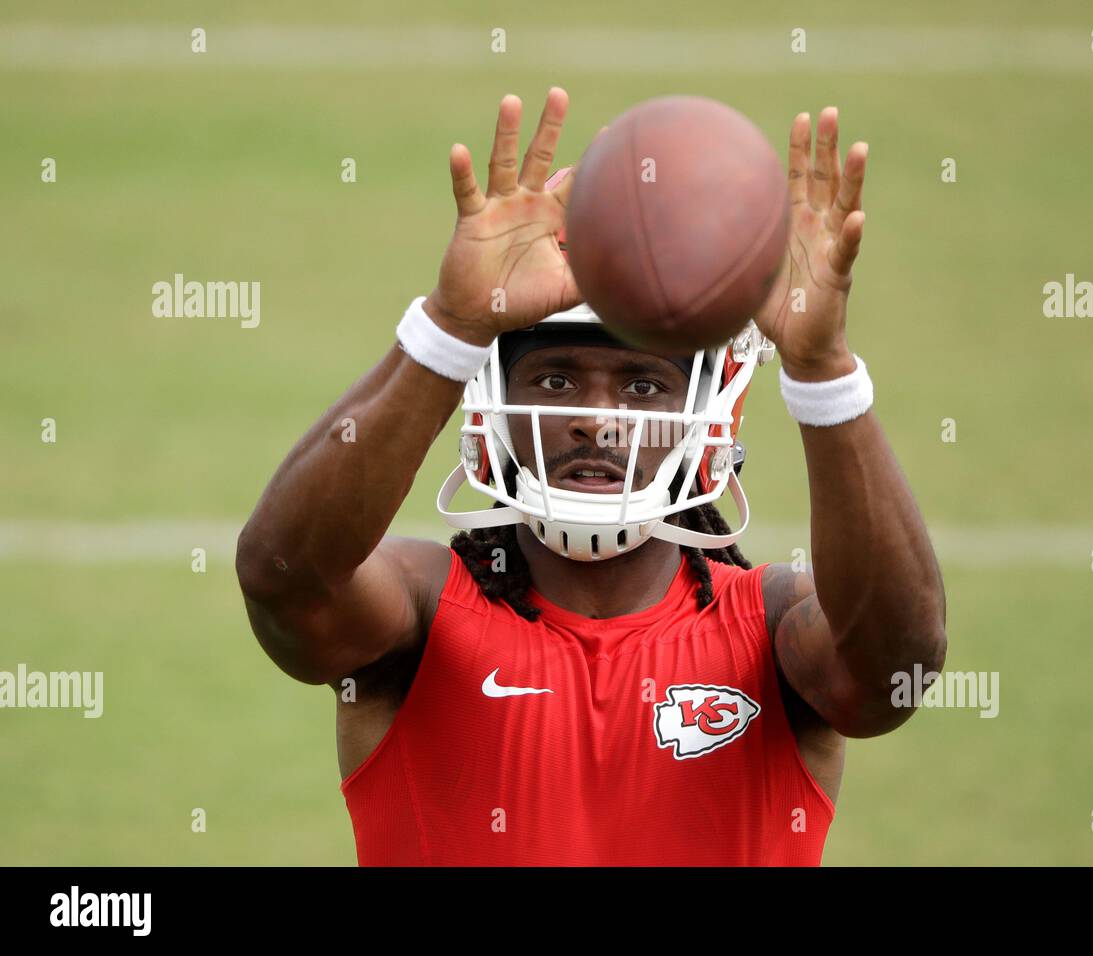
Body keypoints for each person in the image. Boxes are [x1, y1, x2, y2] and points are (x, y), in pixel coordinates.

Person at [235, 87, 946, 866]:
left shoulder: (773, 630)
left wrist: (824, 372)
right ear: (488, 397)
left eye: (643, 385)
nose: (597, 420)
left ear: (713, 411)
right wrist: (451, 326)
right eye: (555, 380)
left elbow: (897, 672)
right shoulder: (419, 613)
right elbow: (283, 581)